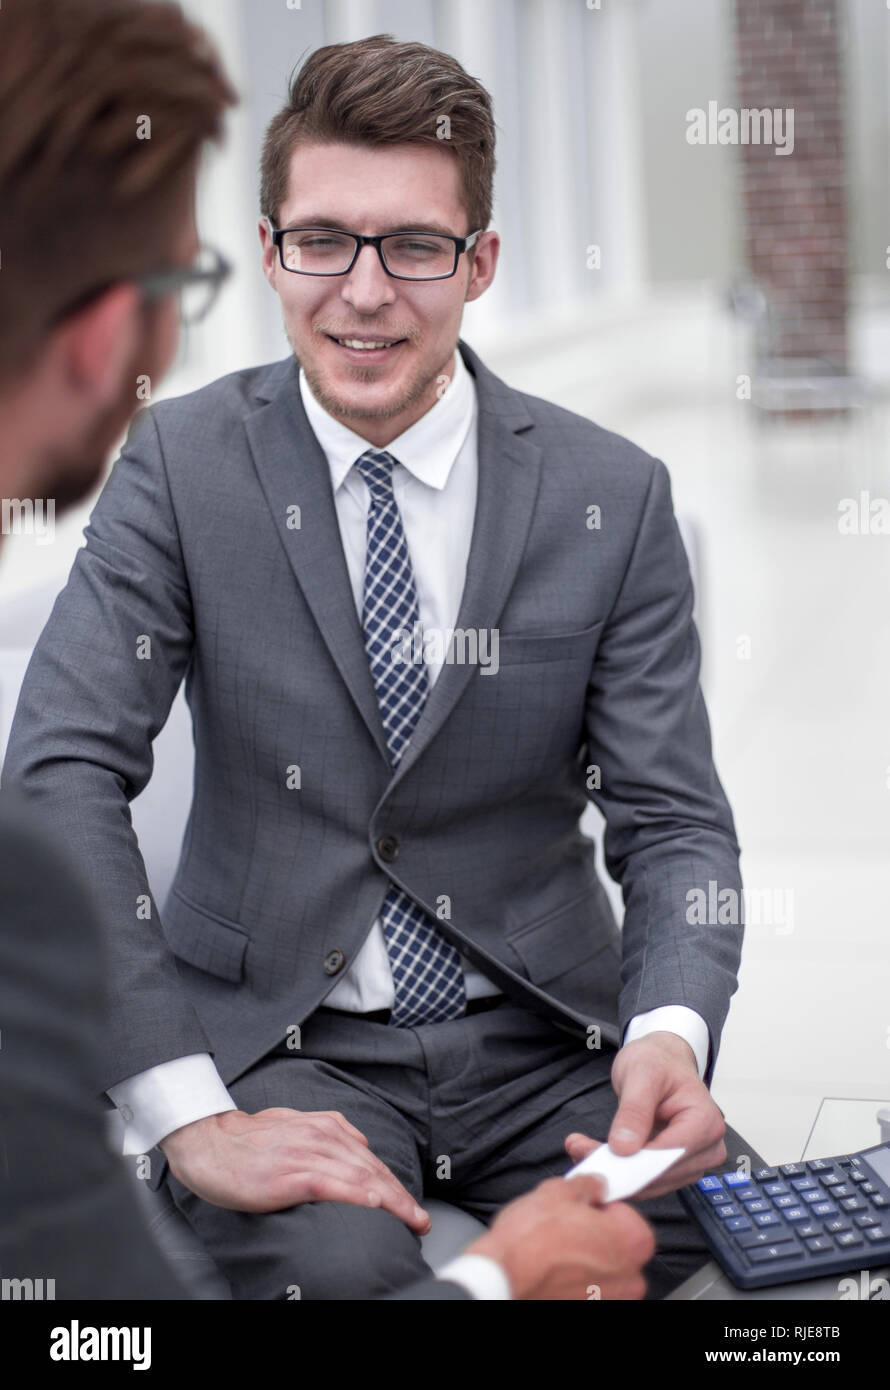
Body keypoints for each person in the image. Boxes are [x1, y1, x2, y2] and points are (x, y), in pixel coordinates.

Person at [4, 28, 759, 1302]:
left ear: (480, 263)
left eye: (413, 246)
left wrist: (668, 1034)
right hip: (285, 1041)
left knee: (717, 1229)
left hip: (545, 1037)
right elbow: (59, 772)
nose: (362, 292)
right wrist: (185, 1109)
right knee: (335, 1275)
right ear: (268, 252)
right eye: (321, 242)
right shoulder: (180, 466)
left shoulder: (608, 495)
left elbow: (673, 820)